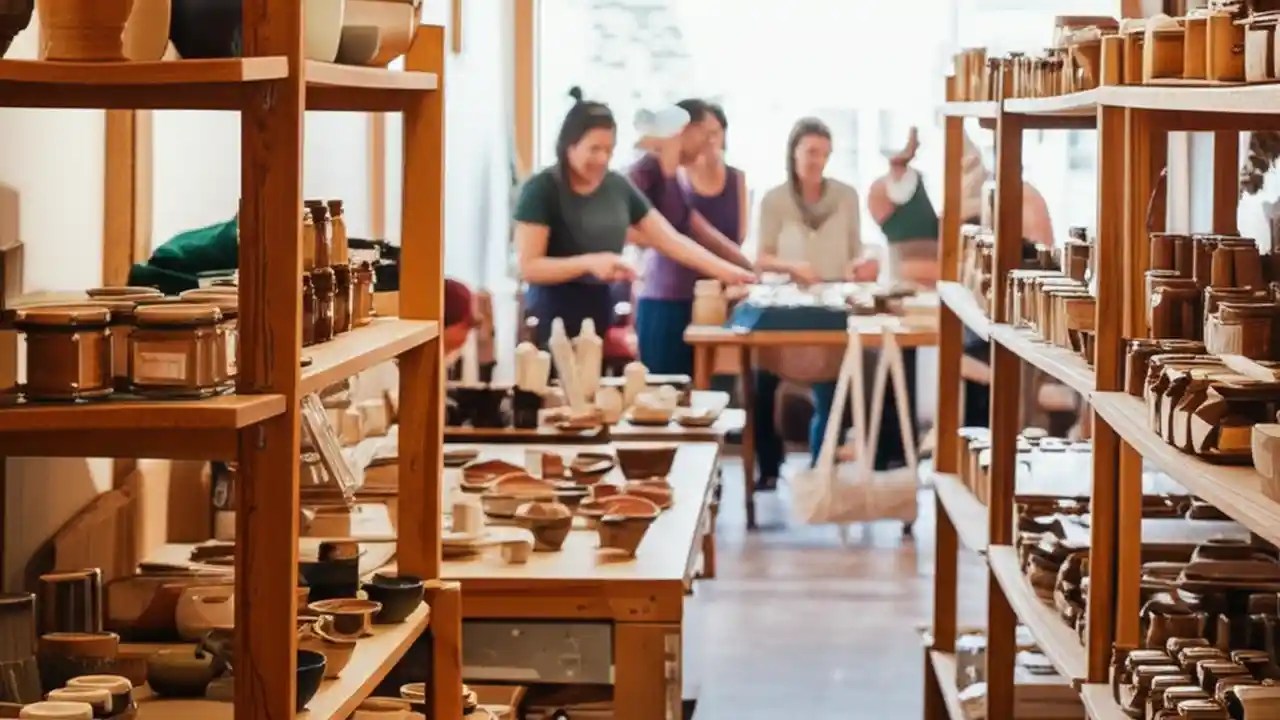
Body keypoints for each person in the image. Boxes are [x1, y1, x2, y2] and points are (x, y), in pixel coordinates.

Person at [513, 89, 755, 353]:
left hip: (598, 316)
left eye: (609, 150)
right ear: (570, 144)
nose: (603, 159)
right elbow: (529, 267)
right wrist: (590, 262)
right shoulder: (542, 189)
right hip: (550, 318)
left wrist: (730, 272)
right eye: (594, 149)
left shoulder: (617, 187)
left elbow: (670, 240)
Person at [753, 118, 879, 489]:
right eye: (810, 152)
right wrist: (793, 267)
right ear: (793, 152)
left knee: (833, 388)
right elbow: (761, 258)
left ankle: (820, 470)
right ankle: (768, 469)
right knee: (762, 384)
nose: (817, 161)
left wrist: (863, 266)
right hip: (783, 307)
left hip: (832, 305)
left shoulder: (846, 196)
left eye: (824, 154)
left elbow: (856, 251)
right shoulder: (774, 200)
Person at [630, 99, 755, 375]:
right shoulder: (645, 173)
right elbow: (658, 234)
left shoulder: (671, 173)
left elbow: (697, 229)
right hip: (665, 300)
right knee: (665, 393)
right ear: (684, 130)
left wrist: (747, 270)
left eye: (716, 134)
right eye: (704, 134)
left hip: (705, 302)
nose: (708, 144)